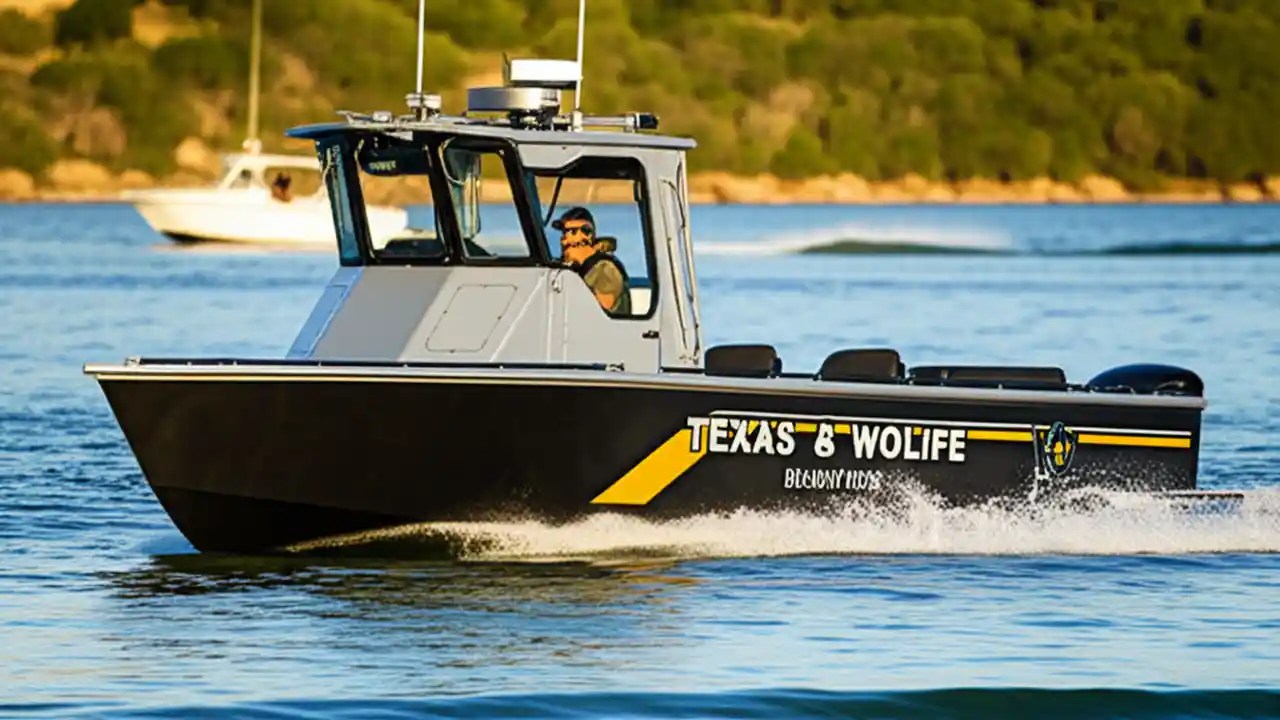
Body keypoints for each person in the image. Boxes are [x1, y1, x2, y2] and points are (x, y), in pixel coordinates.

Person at [553, 206, 631, 316]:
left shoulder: (605, 269)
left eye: (571, 232)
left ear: (588, 234)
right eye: (563, 233)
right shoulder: (575, 269)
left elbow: (599, 313)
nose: (564, 240)